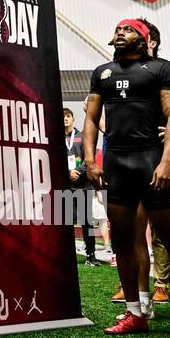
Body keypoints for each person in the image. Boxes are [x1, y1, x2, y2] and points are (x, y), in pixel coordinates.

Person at [83, 19, 170, 338]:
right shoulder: (102, 72)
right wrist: (90, 159)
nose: (119, 33)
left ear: (146, 40)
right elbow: (90, 117)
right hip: (117, 163)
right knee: (125, 241)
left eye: (128, 30)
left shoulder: (160, 69)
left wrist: (167, 161)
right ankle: (135, 313)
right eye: (117, 29)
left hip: (151, 161)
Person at [64, 108, 99, 265]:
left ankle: (91, 255)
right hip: (65, 188)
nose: (65, 119)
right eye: (63, 117)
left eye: (68, 116)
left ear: (73, 118)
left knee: (87, 223)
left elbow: (89, 157)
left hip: (83, 186)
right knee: (64, 222)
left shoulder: (82, 136)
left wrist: (77, 171)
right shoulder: (55, 138)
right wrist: (67, 172)